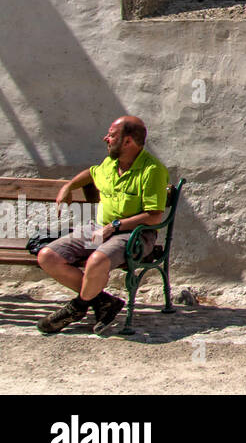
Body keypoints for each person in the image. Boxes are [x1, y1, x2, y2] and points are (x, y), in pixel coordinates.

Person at [35, 116, 170, 334]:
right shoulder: (111, 163)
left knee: (96, 261)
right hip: (100, 228)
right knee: (47, 256)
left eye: (112, 135)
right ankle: (102, 301)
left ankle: (76, 308)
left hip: (135, 235)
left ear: (128, 142)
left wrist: (115, 226)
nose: (105, 138)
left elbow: (154, 217)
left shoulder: (152, 170)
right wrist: (69, 186)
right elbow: (92, 173)